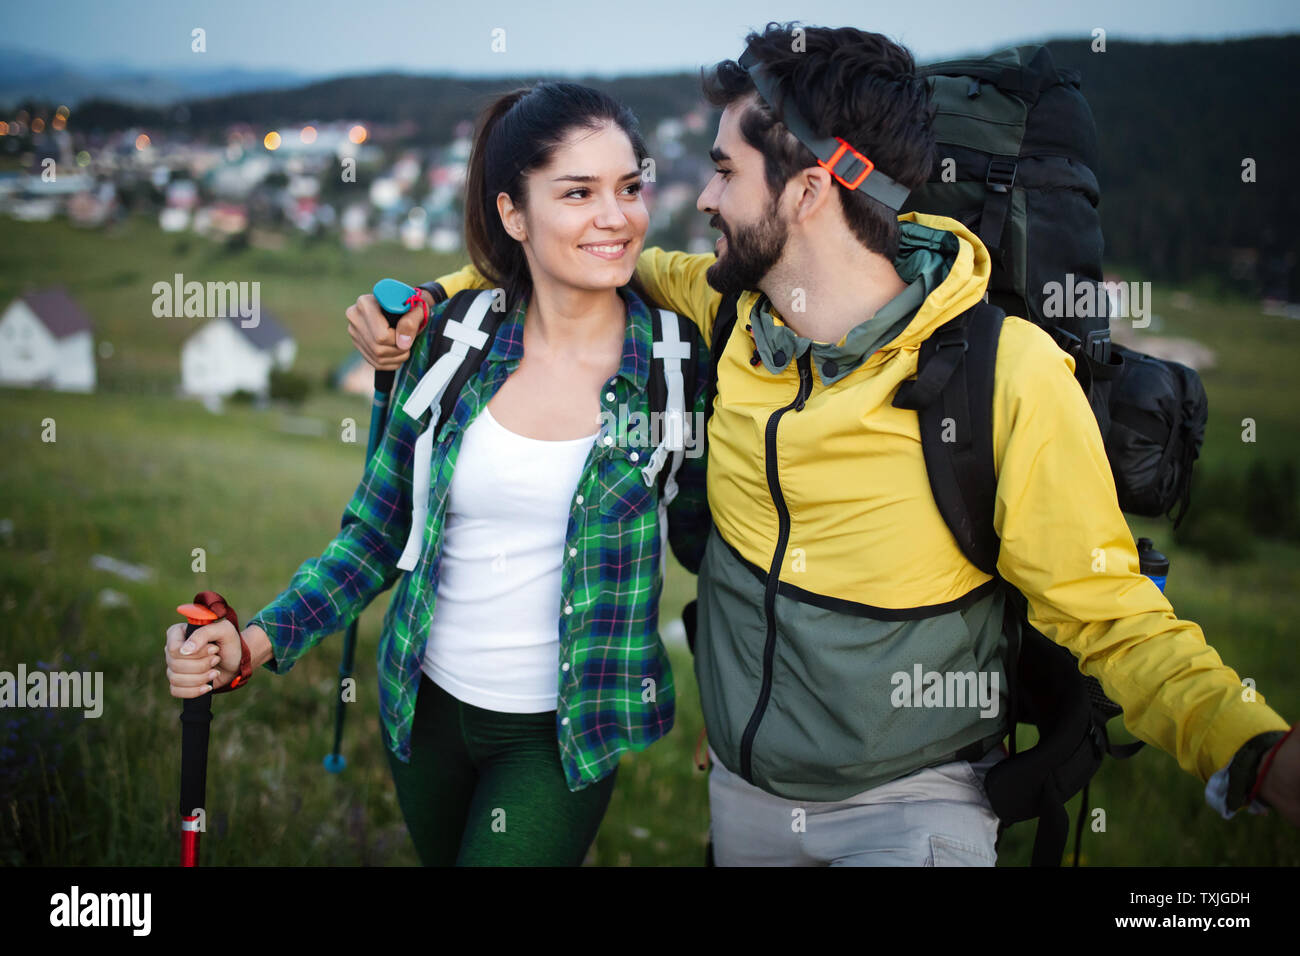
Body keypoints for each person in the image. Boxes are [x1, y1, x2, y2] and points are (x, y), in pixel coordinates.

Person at [350, 23, 1300, 866]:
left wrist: (1259, 753)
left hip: (913, 810)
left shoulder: (1004, 376)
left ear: (810, 187)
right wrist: (427, 301)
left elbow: (1114, 614)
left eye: (725, 171)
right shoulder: (728, 305)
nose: (704, 199)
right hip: (744, 798)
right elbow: (580, 256)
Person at [163, 81, 711, 866]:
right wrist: (248, 644)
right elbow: (379, 534)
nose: (616, 216)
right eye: (578, 192)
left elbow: (716, 548)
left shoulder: (675, 364)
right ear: (513, 215)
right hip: (424, 714)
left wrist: (742, 717)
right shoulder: (453, 342)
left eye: (629, 188)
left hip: (565, 734)